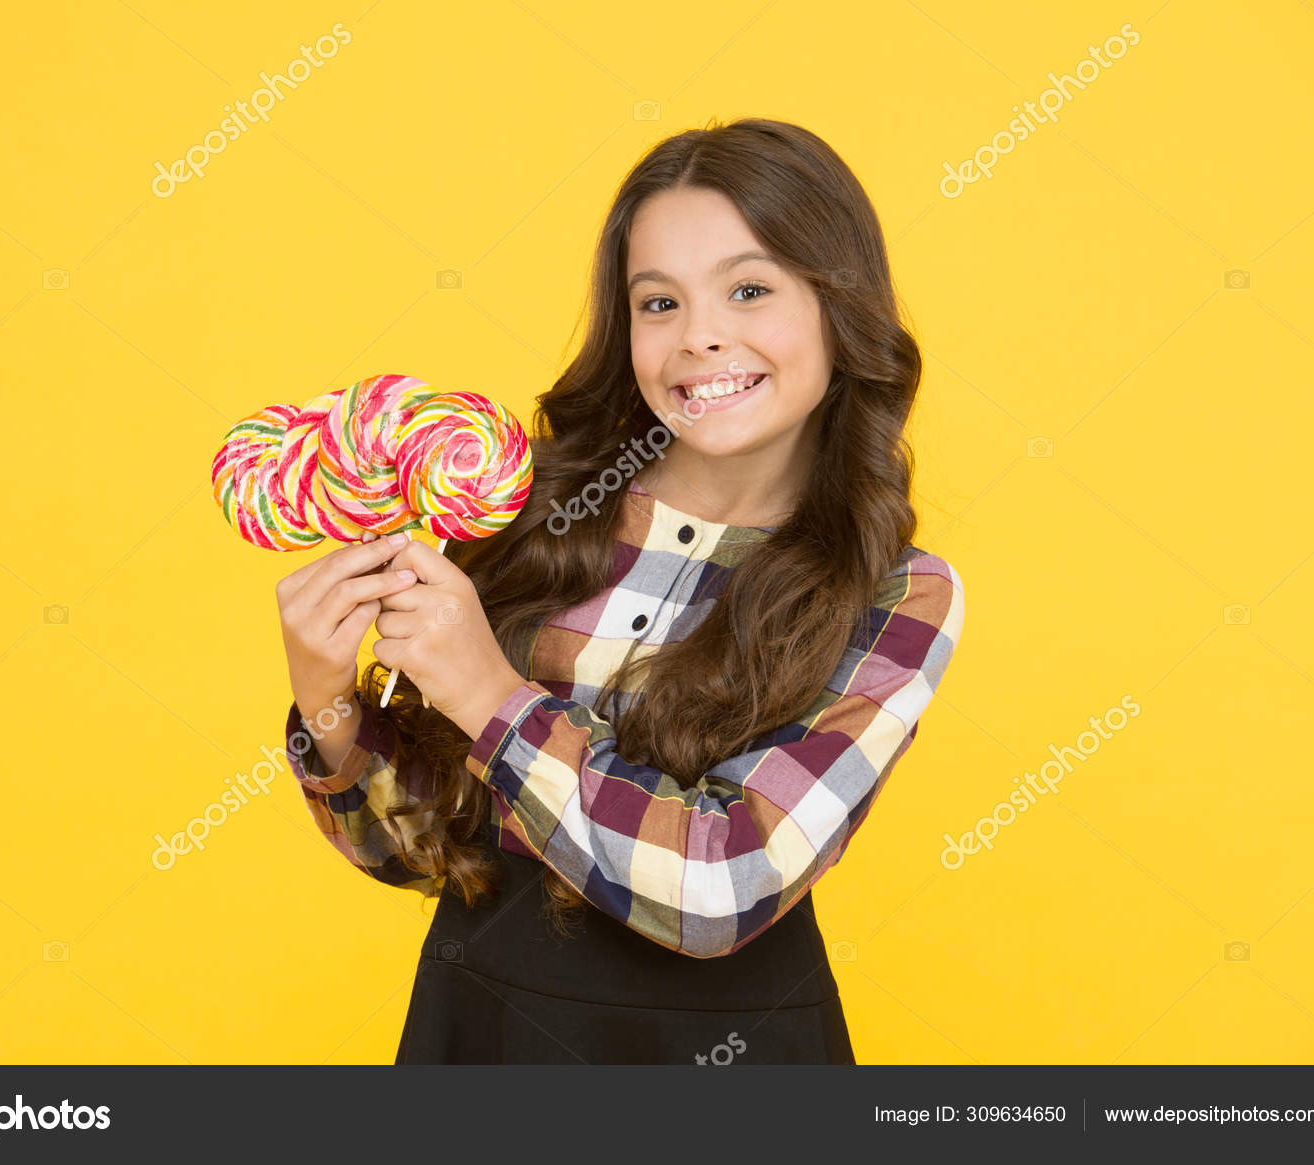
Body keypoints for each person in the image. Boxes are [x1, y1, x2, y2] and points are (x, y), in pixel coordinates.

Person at [276, 117, 965, 1064]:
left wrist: (488, 693)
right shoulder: (531, 510)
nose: (701, 338)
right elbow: (429, 853)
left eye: (750, 289)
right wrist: (328, 699)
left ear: (837, 308)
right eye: (657, 303)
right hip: (481, 1029)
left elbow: (721, 889)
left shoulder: (896, 595)